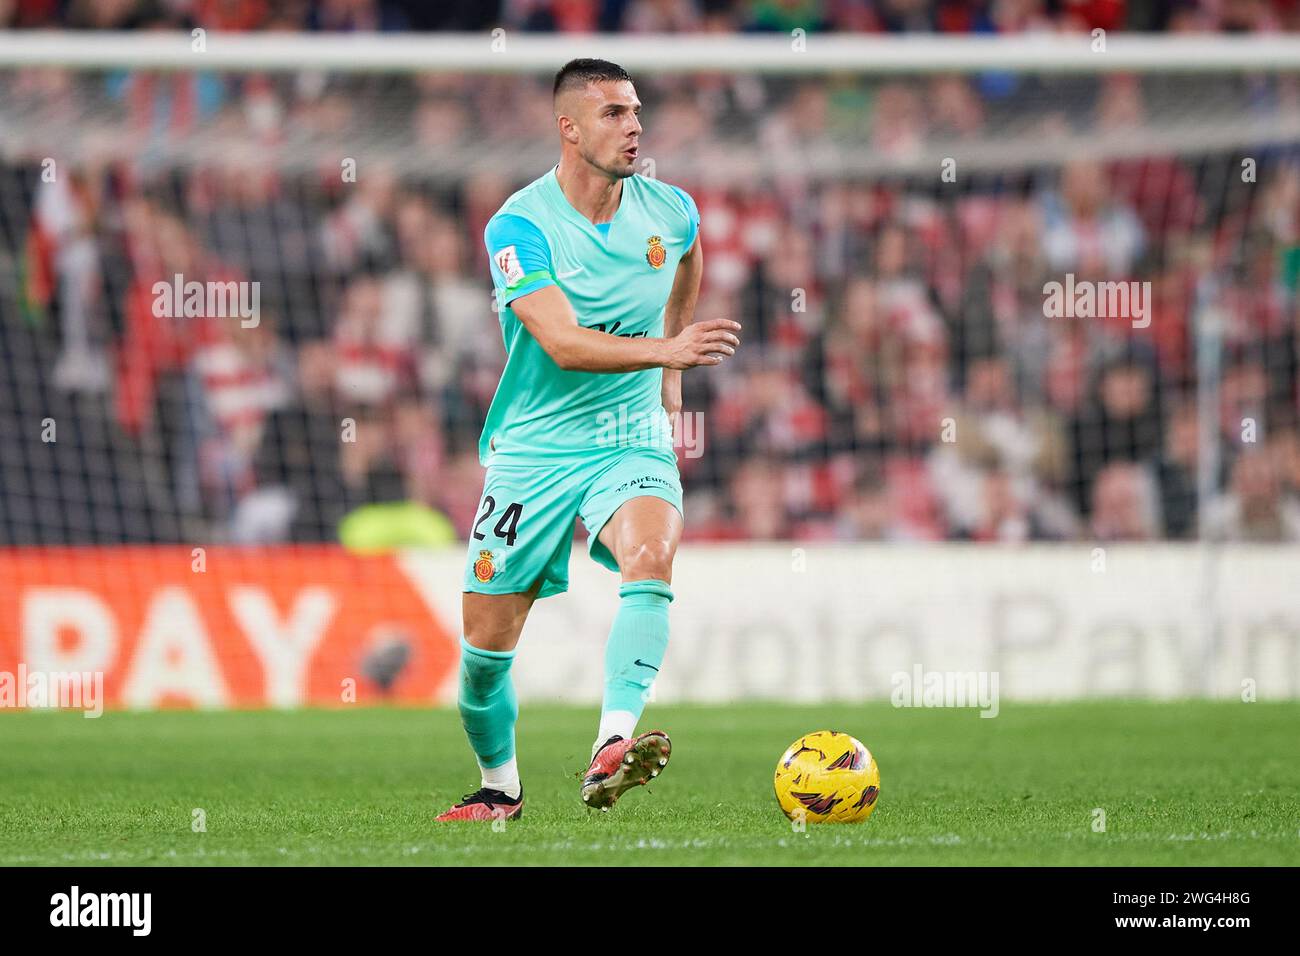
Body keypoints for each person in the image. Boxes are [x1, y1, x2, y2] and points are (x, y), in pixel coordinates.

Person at [435, 59, 742, 821]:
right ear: (569, 128)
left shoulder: (670, 211)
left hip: (628, 434)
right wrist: (668, 353)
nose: (634, 126)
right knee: (481, 657)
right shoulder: (519, 225)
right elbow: (563, 343)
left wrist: (668, 375)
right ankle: (499, 790)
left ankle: (611, 745)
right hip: (533, 448)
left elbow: (689, 257)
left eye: (636, 111)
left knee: (652, 554)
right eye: (612, 113)